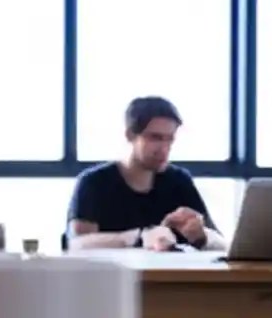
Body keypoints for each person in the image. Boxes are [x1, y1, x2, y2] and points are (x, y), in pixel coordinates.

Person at [67, 96, 227, 252]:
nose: (164, 148)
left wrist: (201, 237)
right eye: (155, 138)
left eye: (170, 139)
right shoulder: (95, 182)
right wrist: (138, 237)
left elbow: (223, 244)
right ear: (130, 135)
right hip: (113, 277)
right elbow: (77, 244)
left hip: (169, 276)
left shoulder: (179, 181)